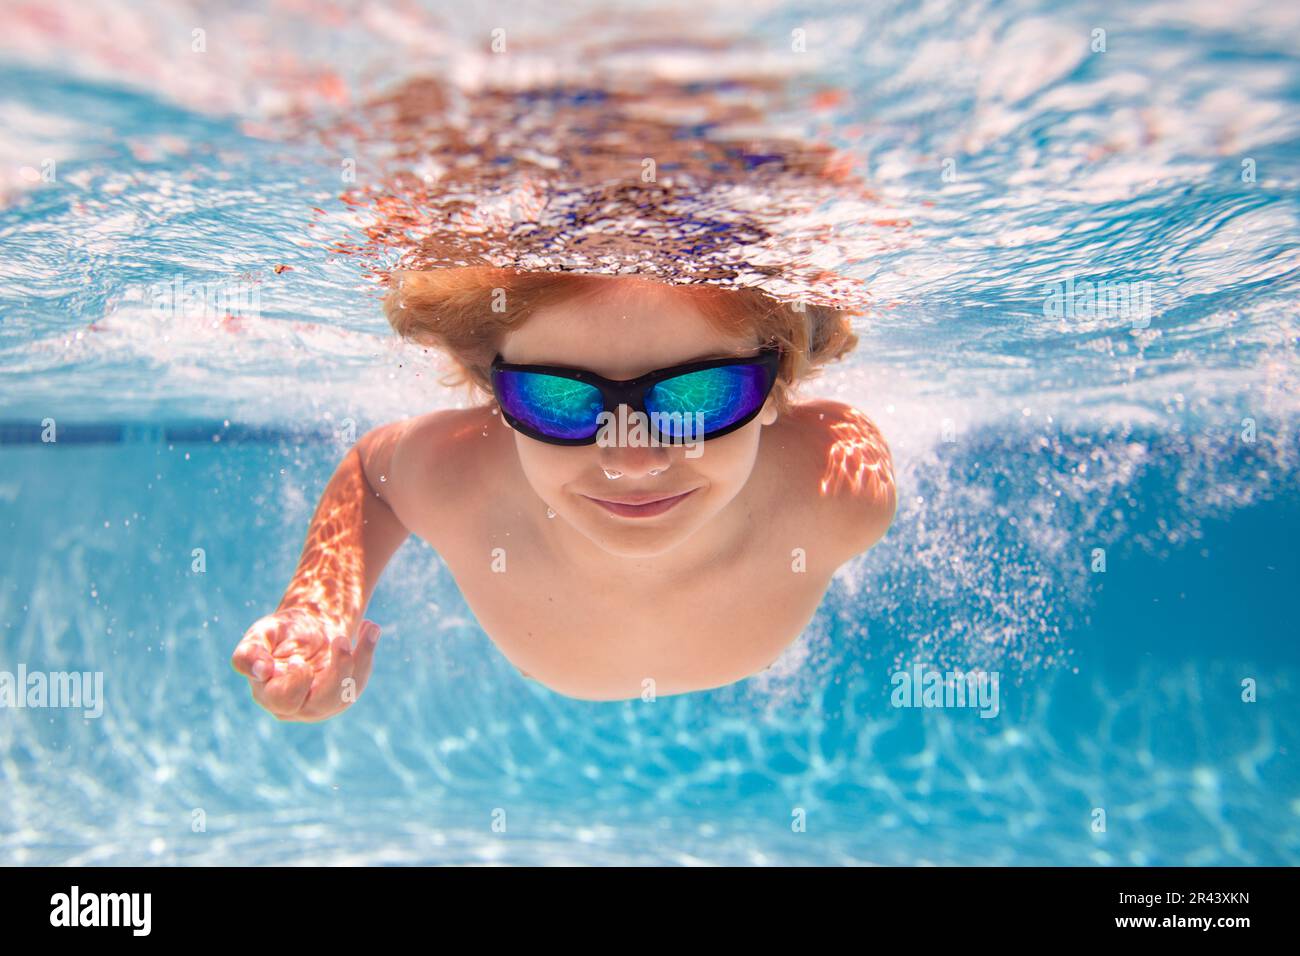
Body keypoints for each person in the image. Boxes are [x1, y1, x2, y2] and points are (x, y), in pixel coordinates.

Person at [230, 266, 895, 716]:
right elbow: (373, 477)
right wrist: (321, 609)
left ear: (777, 388)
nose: (631, 460)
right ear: (495, 396)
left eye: (695, 396)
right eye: (560, 400)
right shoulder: (462, 479)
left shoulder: (839, 489)